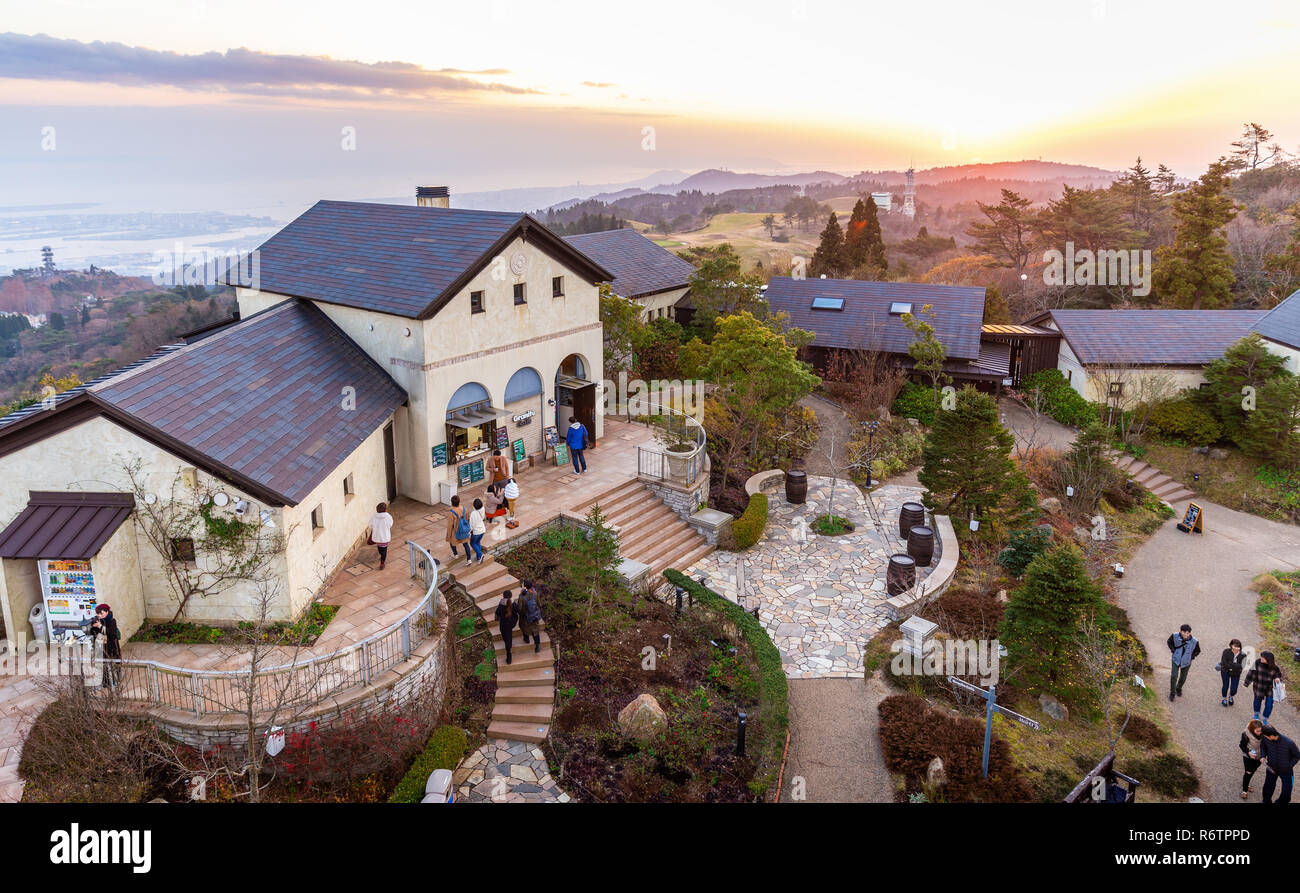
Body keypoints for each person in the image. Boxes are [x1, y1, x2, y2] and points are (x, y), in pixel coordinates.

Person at [1259, 725, 1300, 804]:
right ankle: (1266, 801)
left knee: (1286, 792)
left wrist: (1289, 766)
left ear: (1271, 736)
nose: (1264, 737)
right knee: (1268, 787)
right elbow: (1262, 746)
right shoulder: (1265, 738)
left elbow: (1297, 755)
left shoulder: (1289, 743)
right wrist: (1263, 756)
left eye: (1265, 736)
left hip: (1286, 771)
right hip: (1271, 768)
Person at [1244, 651, 1284, 722]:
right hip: (1259, 685)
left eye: (1263, 657)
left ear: (1268, 659)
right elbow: (1251, 672)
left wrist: (1277, 678)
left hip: (1270, 688)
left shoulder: (1274, 667)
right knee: (1257, 700)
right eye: (1261, 656)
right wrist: (1247, 682)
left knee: (1269, 704)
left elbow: (1278, 674)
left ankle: (1265, 718)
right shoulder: (1257, 663)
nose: (1261, 658)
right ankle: (1256, 714)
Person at [88, 603, 121, 689]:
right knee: (102, 665)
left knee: (114, 664)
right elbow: (92, 633)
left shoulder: (112, 621)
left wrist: (100, 626)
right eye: (98, 614)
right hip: (101, 647)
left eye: (101, 613)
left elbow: (111, 633)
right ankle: (105, 682)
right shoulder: (98, 620)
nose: (99, 615)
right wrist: (93, 626)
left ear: (107, 612)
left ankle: (116, 680)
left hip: (112, 646)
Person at [1166, 624, 1201, 702]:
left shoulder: (1194, 641)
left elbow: (1197, 651)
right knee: (1174, 676)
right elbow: (1169, 642)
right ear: (1180, 631)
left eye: (1188, 633)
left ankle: (1179, 688)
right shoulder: (1174, 636)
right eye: (1184, 632)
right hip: (1176, 659)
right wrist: (1173, 650)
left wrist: (1191, 657)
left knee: (1183, 677)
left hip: (1186, 662)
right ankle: (1172, 692)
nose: (1186, 634)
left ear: (1190, 633)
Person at [1241, 719, 1265, 799]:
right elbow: (1242, 746)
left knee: (1252, 771)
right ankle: (1244, 790)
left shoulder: (1264, 733)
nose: (1259, 733)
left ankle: (1246, 784)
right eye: (1257, 731)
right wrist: (1248, 753)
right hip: (1248, 756)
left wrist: (1264, 756)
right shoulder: (1245, 734)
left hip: (1259, 757)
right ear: (1252, 730)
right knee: (1248, 772)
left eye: (1260, 731)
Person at [1219, 638, 1247, 706]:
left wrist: (1231, 664)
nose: (1237, 648)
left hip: (1236, 673)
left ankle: (1231, 696)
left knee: (1234, 689)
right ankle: (1224, 698)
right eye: (1235, 646)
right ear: (1231, 645)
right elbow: (1224, 663)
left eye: (1238, 647)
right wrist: (1235, 665)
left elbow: (1242, 666)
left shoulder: (1243, 655)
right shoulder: (1226, 651)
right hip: (1225, 671)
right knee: (1225, 686)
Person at [445, 494, 472, 562]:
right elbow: (468, 518)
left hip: (455, 531)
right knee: (466, 544)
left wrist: (448, 535)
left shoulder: (451, 513)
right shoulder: (464, 509)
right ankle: (469, 559)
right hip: (464, 530)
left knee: (452, 542)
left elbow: (450, 525)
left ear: (452, 503)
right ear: (459, 502)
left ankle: (456, 554)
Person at [518, 580, 542, 652]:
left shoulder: (522, 596)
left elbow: (520, 608)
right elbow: (539, 604)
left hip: (525, 617)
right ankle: (537, 645)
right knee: (535, 631)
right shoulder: (535, 593)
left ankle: (527, 639)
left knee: (524, 627)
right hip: (534, 616)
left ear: (525, 587)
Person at [369, 502, 394, 570]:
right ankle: (382, 563)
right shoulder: (388, 516)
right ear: (385, 509)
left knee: (380, 548)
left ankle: (381, 554)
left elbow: (370, 525)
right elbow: (390, 525)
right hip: (385, 537)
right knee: (384, 550)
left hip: (377, 537)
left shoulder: (374, 516)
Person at [495, 589, 517, 665]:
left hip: (503, 625)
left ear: (503, 596)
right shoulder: (513, 605)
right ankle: (509, 654)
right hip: (509, 625)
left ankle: (509, 654)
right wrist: (513, 623)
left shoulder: (500, 605)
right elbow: (516, 615)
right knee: (508, 640)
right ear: (510, 596)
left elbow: (497, 614)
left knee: (506, 639)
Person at [468, 497, 487, 564]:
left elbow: (471, 525)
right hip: (482, 529)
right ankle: (478, 557)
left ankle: (480, 554)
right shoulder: (483, 509)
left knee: (472, 543)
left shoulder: (473, 513)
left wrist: (469, 531)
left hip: (476, 532)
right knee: (477, 542)